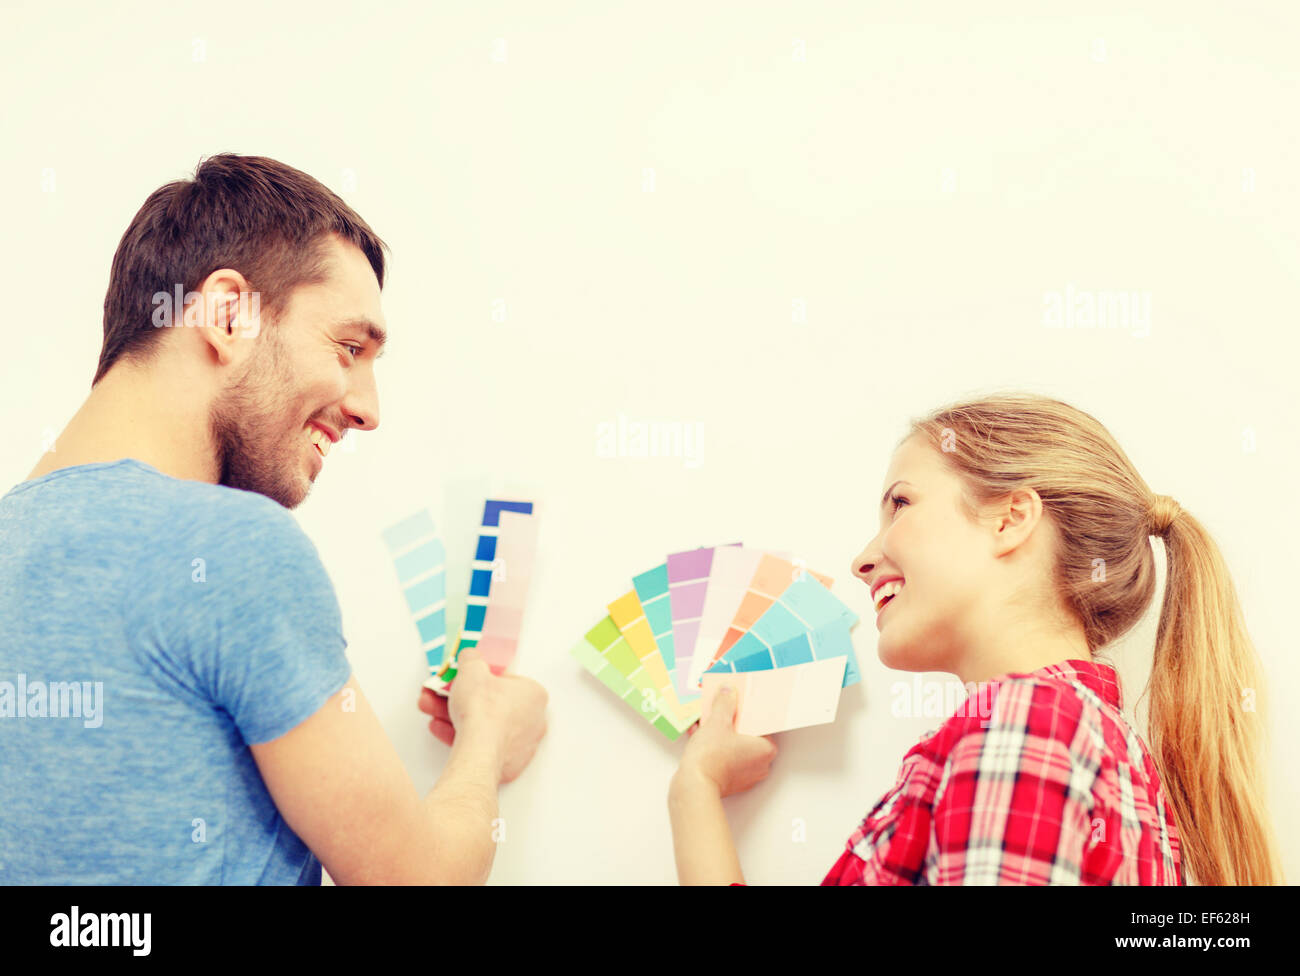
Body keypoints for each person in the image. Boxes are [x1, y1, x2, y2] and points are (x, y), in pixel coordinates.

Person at [0, 153, 547, 885]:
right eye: (349, 348)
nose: (368, 409)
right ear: (230, 314)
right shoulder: (228, 549)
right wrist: (487, 742)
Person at [668, 393, 1283, 885]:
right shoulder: (1071, 736)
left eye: (900, 504)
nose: (862, 559)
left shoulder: (1029, 725)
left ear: (1012, 518)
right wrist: (696, 789)